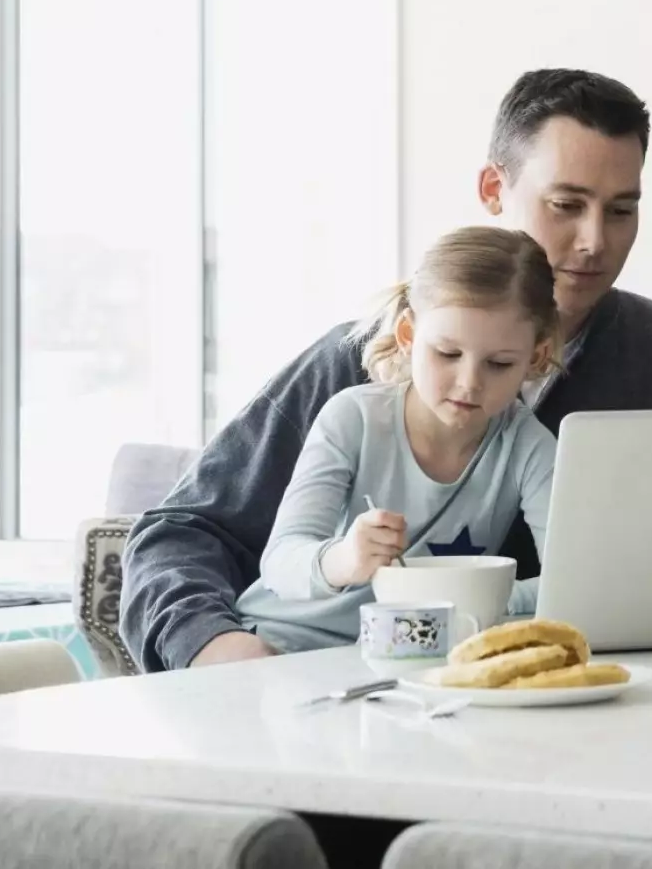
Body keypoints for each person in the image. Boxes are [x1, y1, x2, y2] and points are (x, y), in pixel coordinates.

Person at [120, 68, 652, 671]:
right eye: (567, 204)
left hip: (609, 716)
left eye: (622, 211)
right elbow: (178, 535)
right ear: (494, 190)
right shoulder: (359, 366)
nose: (595, 242)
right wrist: (212, 644)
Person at [231, 226, 558, 654]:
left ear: (534, 357)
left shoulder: (528, 444)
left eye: (499, 363)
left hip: (409, 656)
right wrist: (345, 559)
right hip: (286, 644)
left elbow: (569, 582)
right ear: (408, 337)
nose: (469, 383)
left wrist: (460, 596)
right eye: (447, 354)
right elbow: (281, 565)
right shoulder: (353, 418)